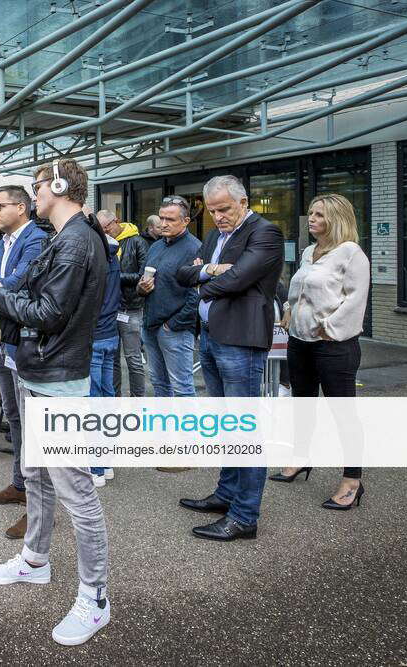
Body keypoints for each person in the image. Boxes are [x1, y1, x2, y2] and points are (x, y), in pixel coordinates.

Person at [0, 158, 111, 647]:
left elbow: (51, 312)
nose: (33, 195)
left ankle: (95, 598)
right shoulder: (65, 235)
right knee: (33, 474)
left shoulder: (76, 241)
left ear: (56, 186)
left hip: (58, 379)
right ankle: (35, 560)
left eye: (36, 186)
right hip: (40, 371)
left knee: (77, 493)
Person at [175, 175, 284, 542]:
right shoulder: (213, 236)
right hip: (211, 336)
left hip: (240, 339)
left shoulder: (263, 232)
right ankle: (226, 494)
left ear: (243, 202)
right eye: (212, 210)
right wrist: (210, 270)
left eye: (224, 209)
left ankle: (244, 516)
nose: (218, 216)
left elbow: (237, 280)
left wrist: (205, 277)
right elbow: (181, 273)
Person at [269, 194, 370, 510]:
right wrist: (287, 309)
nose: (311, 218)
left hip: (334, 346)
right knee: (303, 405)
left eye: (319, 215)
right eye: (311, 213)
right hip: (300, 342)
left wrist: (329, 326)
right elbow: (298, 289)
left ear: (337, 219)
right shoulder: (310, 251)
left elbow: (356, 299)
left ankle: (352, 480)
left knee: (343, 414)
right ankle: (300, 458)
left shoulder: (351, 254)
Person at [0, 185, 47, 539]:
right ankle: (19, 484)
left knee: (31, 422)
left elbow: (19, 283)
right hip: (1, 339)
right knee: (14, 416)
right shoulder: (3, 244)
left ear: (21, 208)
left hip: (22, 340)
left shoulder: (35, 239)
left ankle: (37, 507)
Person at [138, 197, 201, 399]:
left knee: (182, 388)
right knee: (158, 383)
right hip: (150, 325)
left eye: (170, 219)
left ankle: (185, 431)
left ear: (186, 221)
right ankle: (163, 428)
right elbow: (141, 280)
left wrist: (172, 325)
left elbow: (198, 294)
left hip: (175, 330)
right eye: (162, 218)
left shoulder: (195, 249)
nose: (163, 224)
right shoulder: (156, 246)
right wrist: (141, 287)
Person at [96, 210, 149, 398]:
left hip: (132, 308)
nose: (104, 232)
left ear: (116, 221)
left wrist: (113, 277)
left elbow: (143, 275)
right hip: (112, 309)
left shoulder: (137, 242)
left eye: (106, 228)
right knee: (112, 361)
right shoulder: (103, 243)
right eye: (100, 229)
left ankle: (137, 401)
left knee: (133, 359)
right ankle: (115, 400)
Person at [86, 214, 121, 488]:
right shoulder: (113, 254)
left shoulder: (96, 256)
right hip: (110, 334)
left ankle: (96, 466)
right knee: (106, 400)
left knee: (94, 403)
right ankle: (106, 462)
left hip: (96, 336)